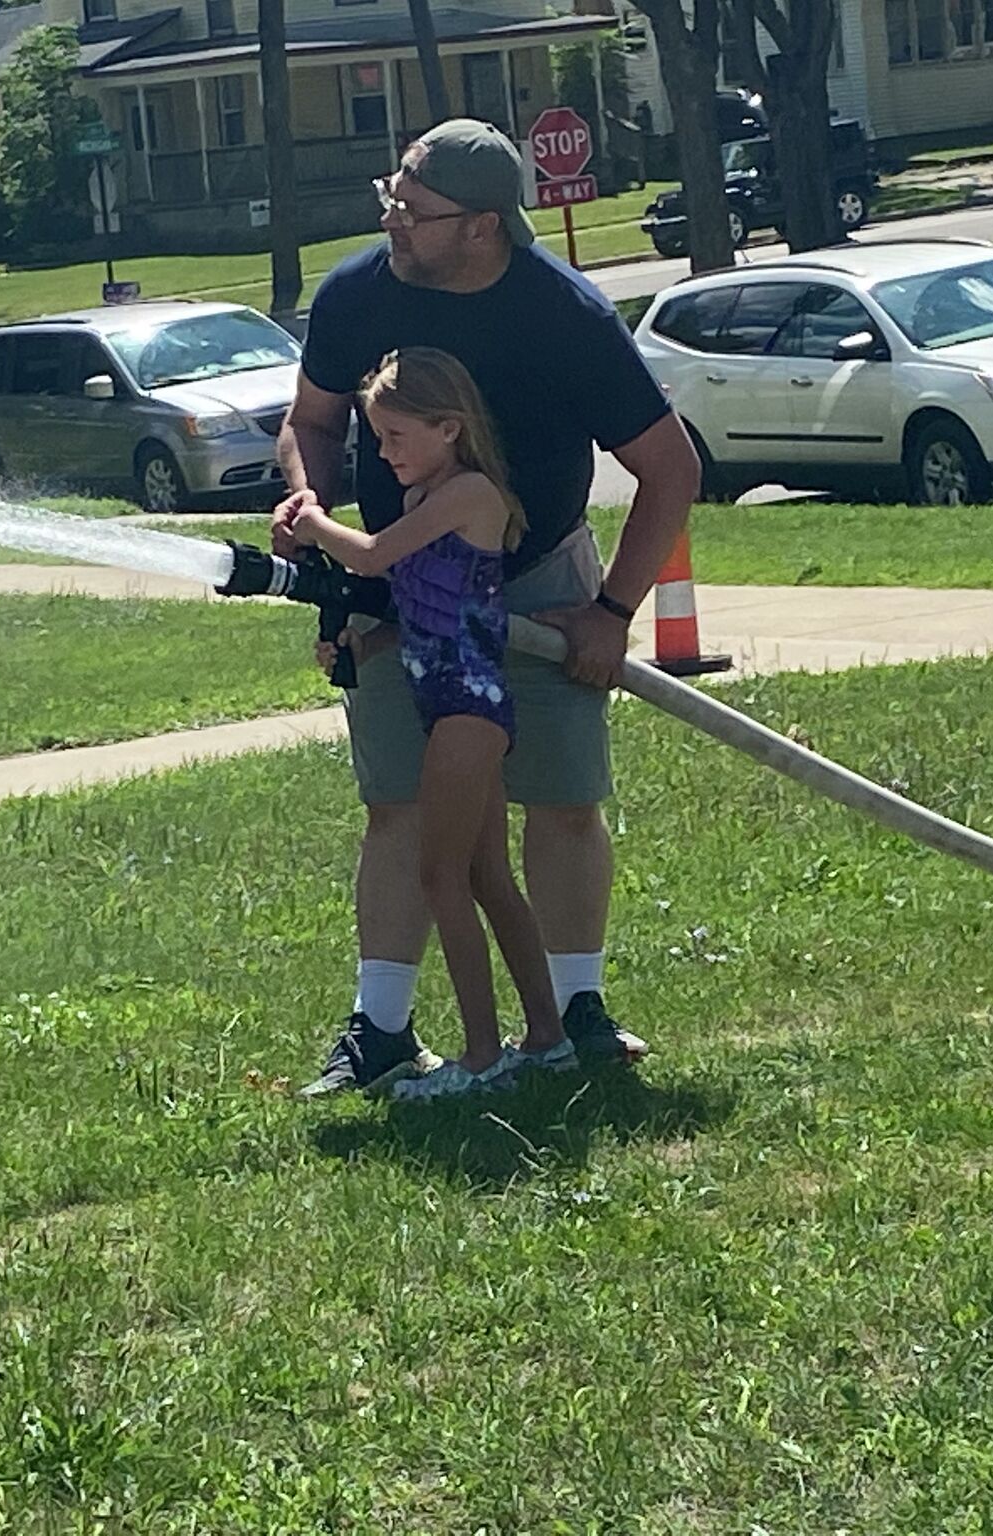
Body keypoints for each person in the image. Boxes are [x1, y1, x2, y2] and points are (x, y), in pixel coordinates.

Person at [275, 118, 701, 1100]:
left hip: (538, 582)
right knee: (399, 807)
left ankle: (575, 1013)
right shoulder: (356, 293)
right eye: (391, 197)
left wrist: (609, 610)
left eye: (411, 211)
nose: (390, 220)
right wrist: (305, 500)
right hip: (398, 594)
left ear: (478, 226)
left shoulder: (560, 315)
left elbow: (668, 468)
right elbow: (311, 419)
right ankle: (378, 1030)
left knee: (557, 800)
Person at [288, 348, 572, 1099]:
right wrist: (361, 639)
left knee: (440, 873)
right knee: (483, 875)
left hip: (469, 710)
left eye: (395, 438)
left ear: (449, 427)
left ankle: (481, 1058)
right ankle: (548, 1037)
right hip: (444, 699)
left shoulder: (473, 494)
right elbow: (423, 615)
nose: (385, 455)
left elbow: (377, 558)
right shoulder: (425, 503)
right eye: (376, 441)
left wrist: (315, 522)